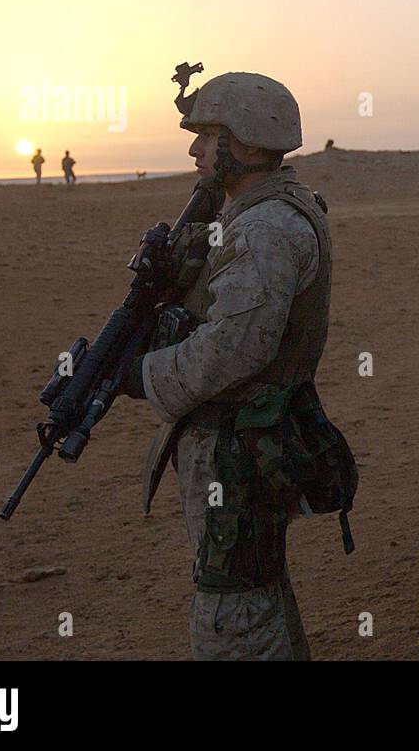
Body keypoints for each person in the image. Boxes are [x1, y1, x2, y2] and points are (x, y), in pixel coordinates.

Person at [118, 71, 338, 660]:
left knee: (232, 623)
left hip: (238, 452)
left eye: (206, 135)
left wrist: (143, 376)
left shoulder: (267, 227)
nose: (194, 149)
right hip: (243, 443)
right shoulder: (253, 212)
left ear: (243, 143)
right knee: (256, 595)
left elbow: (236, 348)